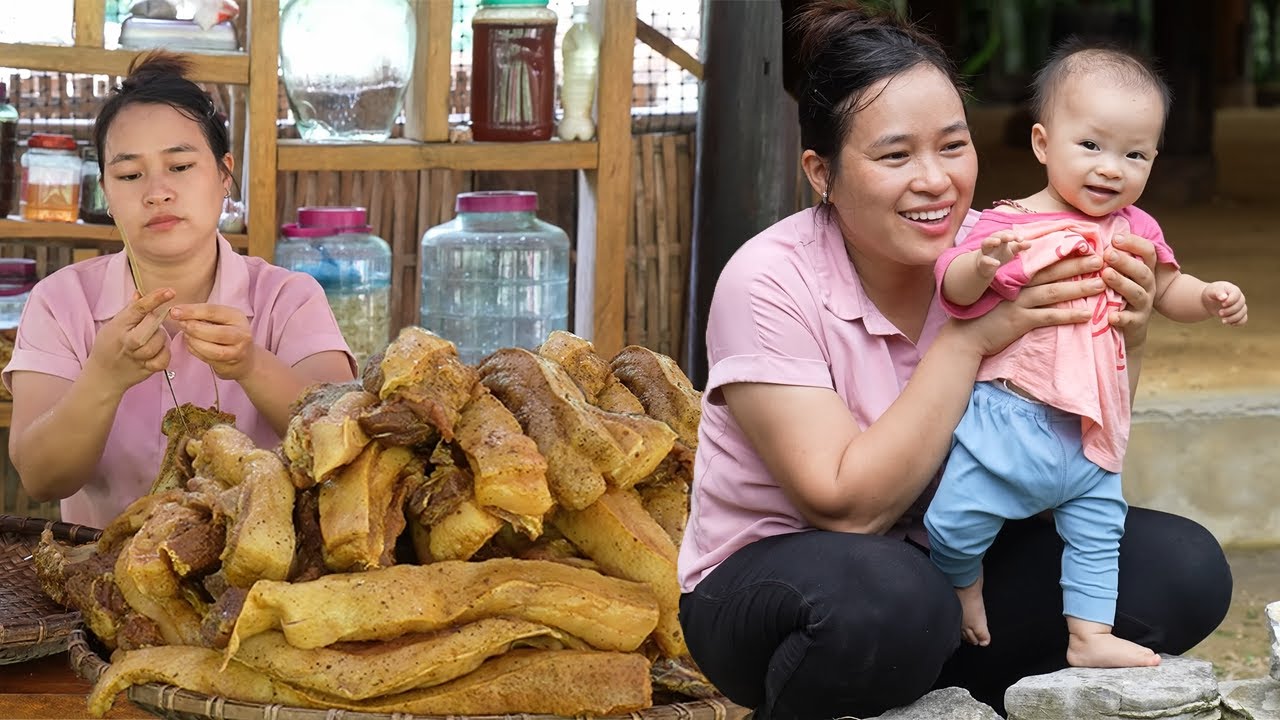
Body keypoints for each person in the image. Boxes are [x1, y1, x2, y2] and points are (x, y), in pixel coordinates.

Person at [676, 3, 1232, 718]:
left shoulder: (1003, 246)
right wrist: (968, 340)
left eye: (952, 146)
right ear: (822, 172)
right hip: (788, 583)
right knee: (893, 600)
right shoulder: (769, 281)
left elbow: (1078, 418)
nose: (935, 181)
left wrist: (1133, 334)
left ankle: (961, 693)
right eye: (895, 155)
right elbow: (842, 506)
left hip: (952, 555)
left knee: (1180, 568)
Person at [927, 41, 1247, 669]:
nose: (1111, 169)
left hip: (1089, 423)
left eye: (1135, 154)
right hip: (1011, 416)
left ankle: (1089, 635)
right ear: (1044, 144)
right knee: (955, 521)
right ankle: (963, 586)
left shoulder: (1137, 229)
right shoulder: (1007, 225)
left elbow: (1164, 289)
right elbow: (952, 287)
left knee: (1099, 533)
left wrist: (1206, 295)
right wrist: (980, 266)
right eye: (1091, 146)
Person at [4, 51, 356, 529]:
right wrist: (104, 378)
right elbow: (42, 479)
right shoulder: (61, 303)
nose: (156, 192)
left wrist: (251, 364)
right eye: (130, 175)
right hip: (104, 578)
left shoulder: (289, 299)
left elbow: (341, 444)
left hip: (258, 580)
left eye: (181, 166)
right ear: (107, 194)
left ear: (224, 173)